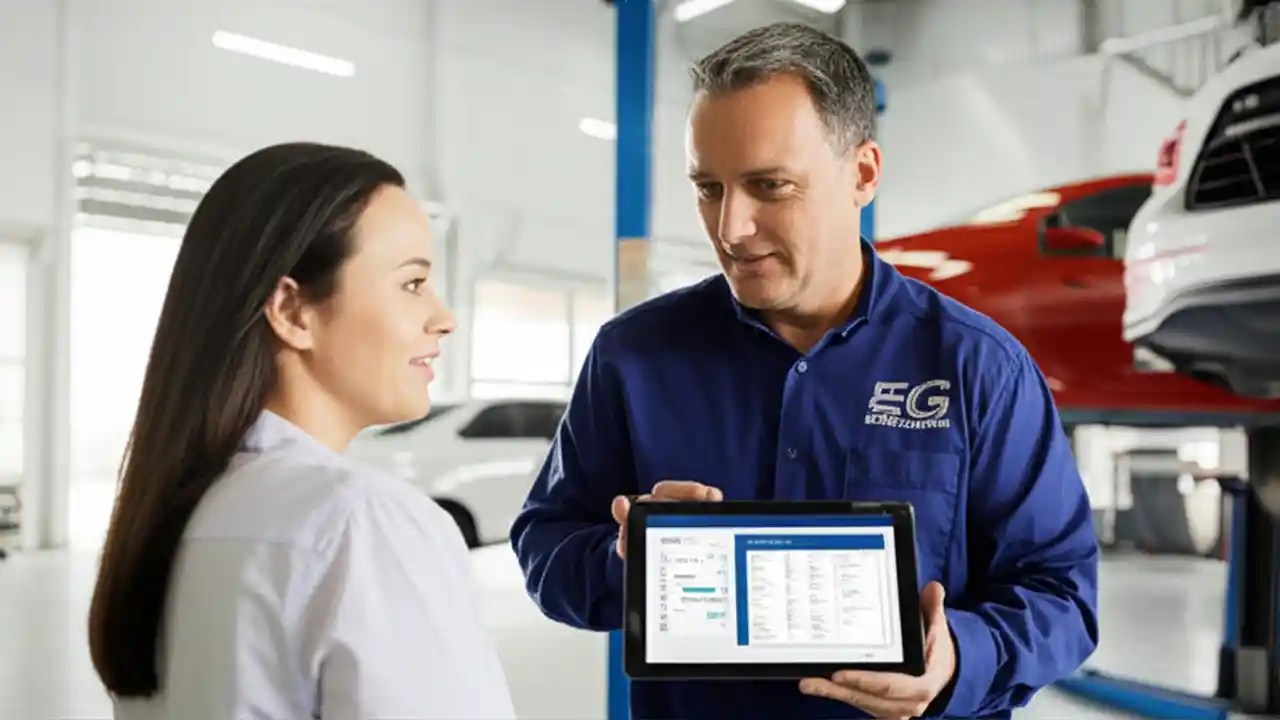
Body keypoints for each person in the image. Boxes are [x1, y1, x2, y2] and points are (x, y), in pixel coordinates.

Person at [511, 22, 1099, 720]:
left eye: (769, 186)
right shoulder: (632, 359)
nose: (730, 227)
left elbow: (1062, 593)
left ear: (864, 173)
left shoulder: (977, 368)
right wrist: (628, 560)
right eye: (708, 188)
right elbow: (545, 544)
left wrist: (957, 658)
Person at [87, 142, 515, 720]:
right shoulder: (361, 523)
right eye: (412, 283)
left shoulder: (174, 513)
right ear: (292, 311)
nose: (443, 317)